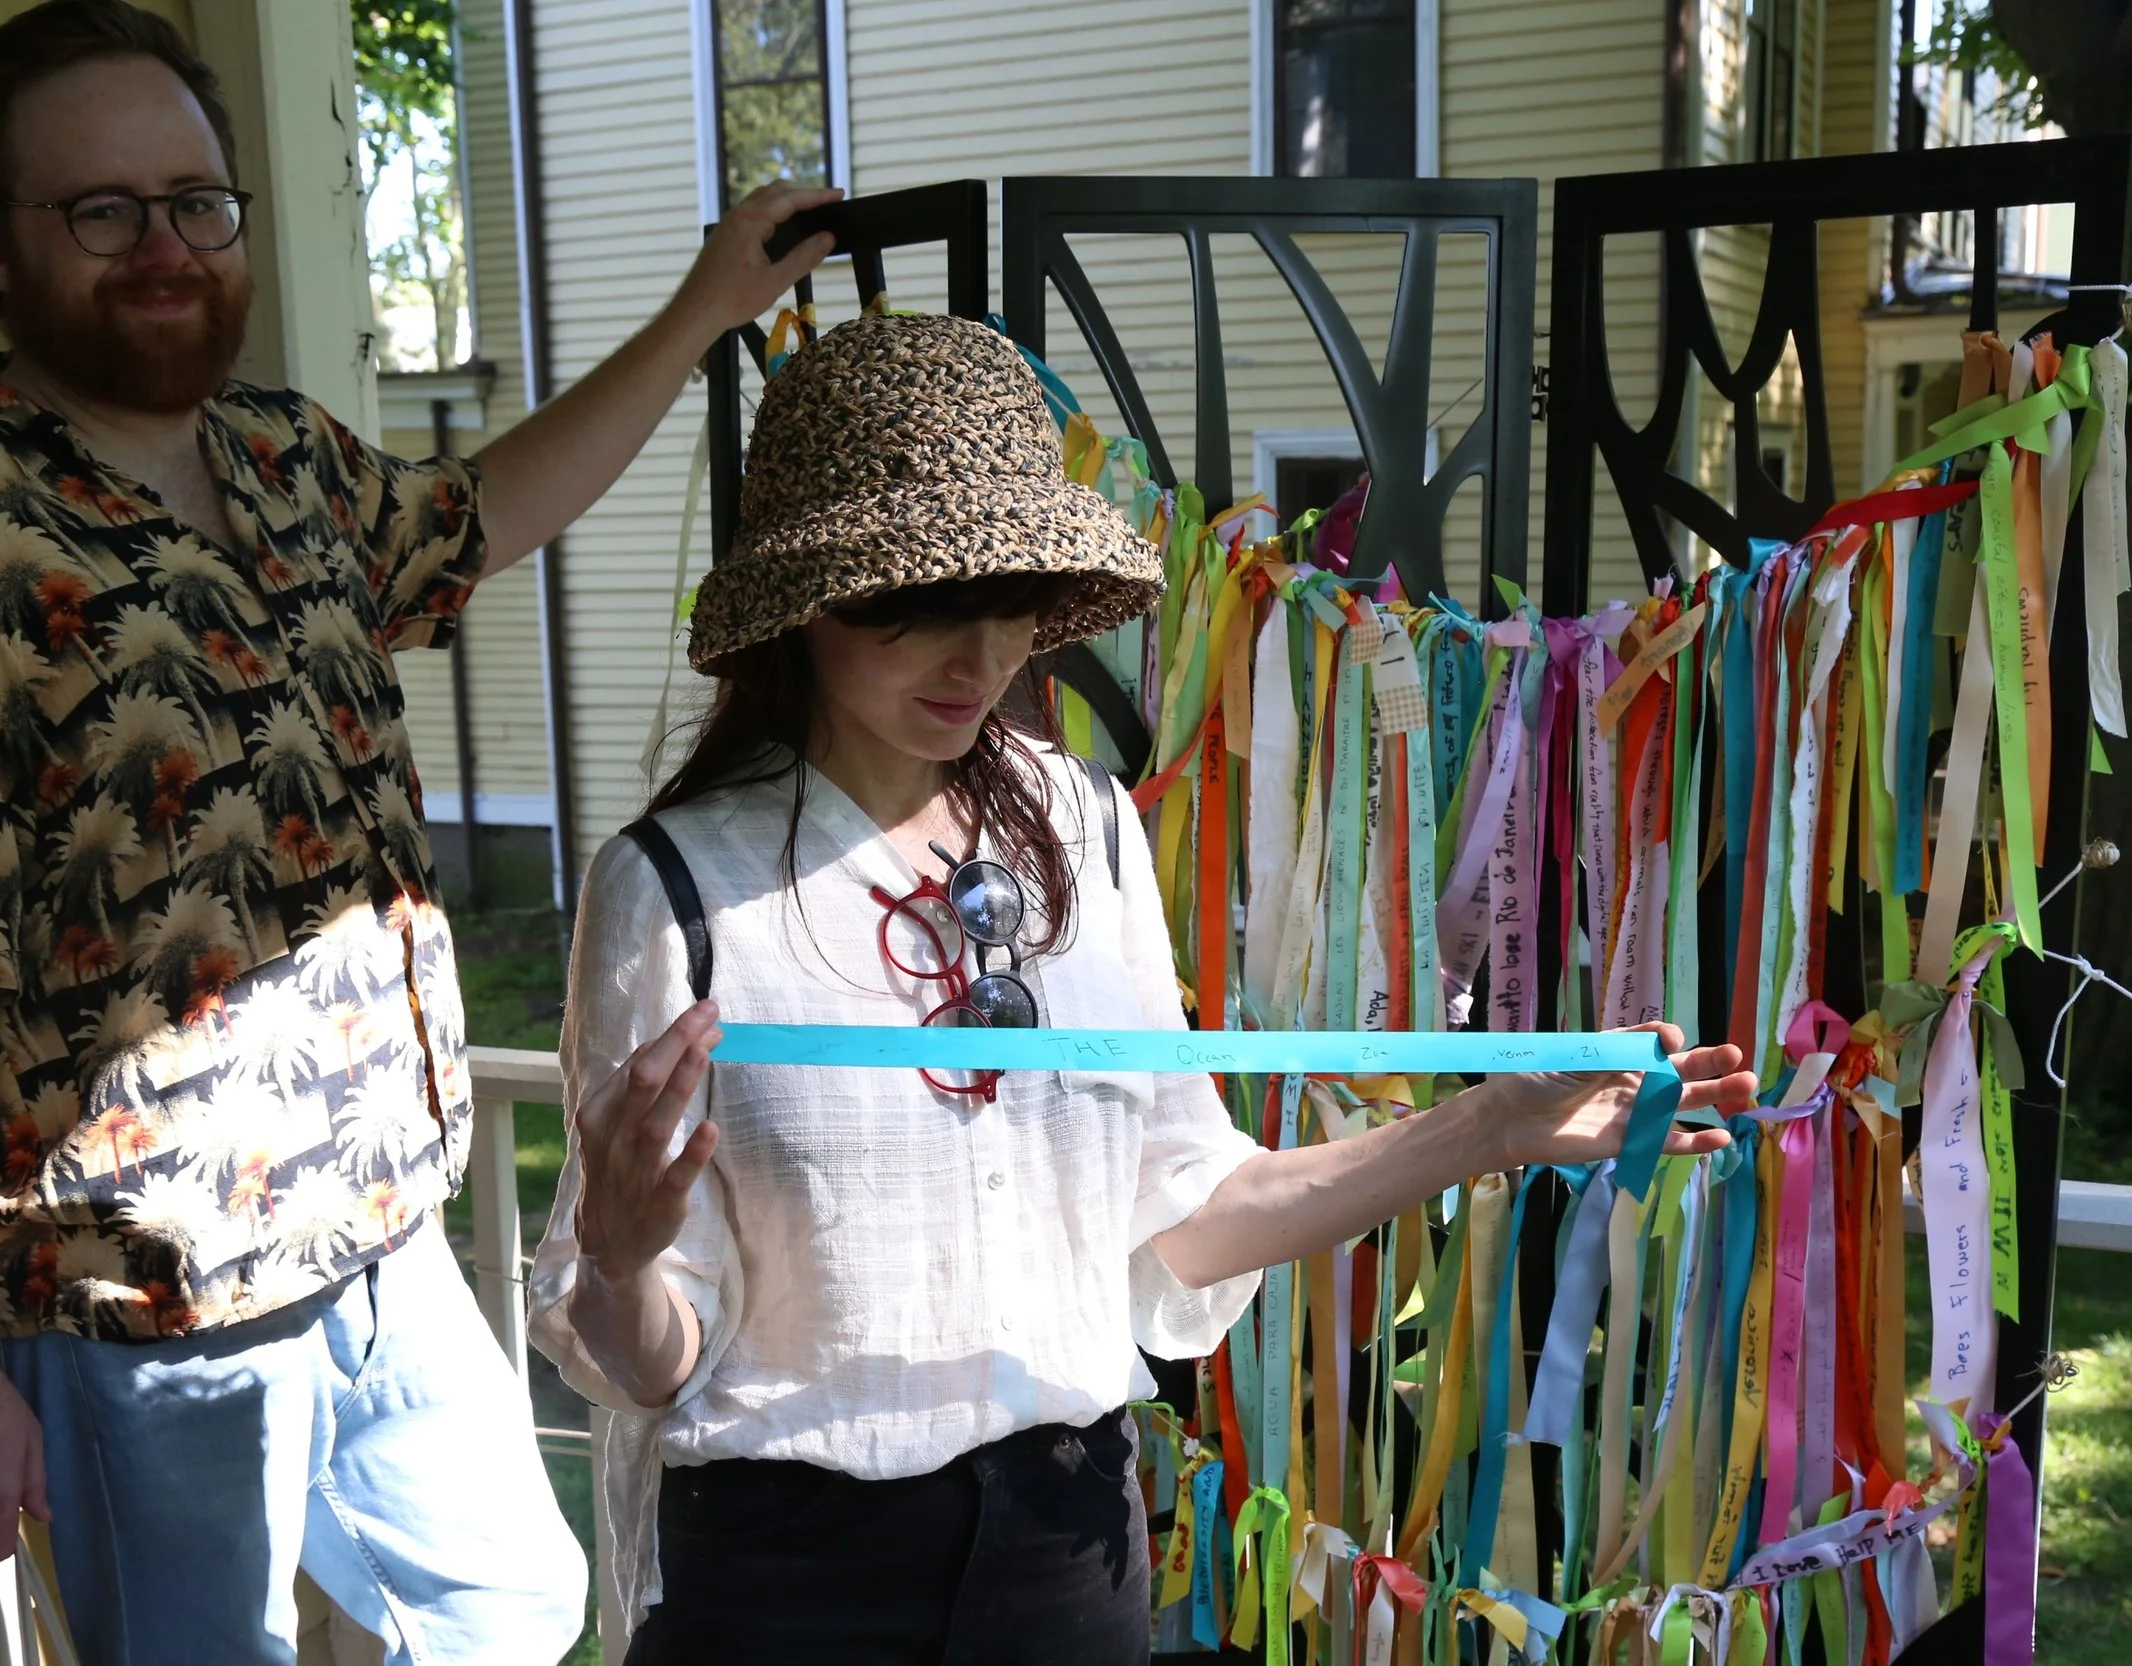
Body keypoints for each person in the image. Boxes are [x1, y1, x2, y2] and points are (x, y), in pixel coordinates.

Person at [0, 2, 838, 1660]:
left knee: (510, 1600)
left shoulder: (281, 457)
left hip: (384, 1240)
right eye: (102, 211)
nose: (166, 248)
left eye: (198, 203)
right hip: (156, 1313)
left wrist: (710, 305)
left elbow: (484, 517)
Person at [528, 312, 1759, 1664]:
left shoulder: (1088, 829)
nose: (982, 655)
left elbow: (1190, 1212)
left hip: (1071, 1559)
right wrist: (625, 1250)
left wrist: (1493, 1128)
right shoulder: (677, 887)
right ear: (807, 597)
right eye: (927, 598)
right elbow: (646, 1359)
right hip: (793, 1588)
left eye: (1013, 598)